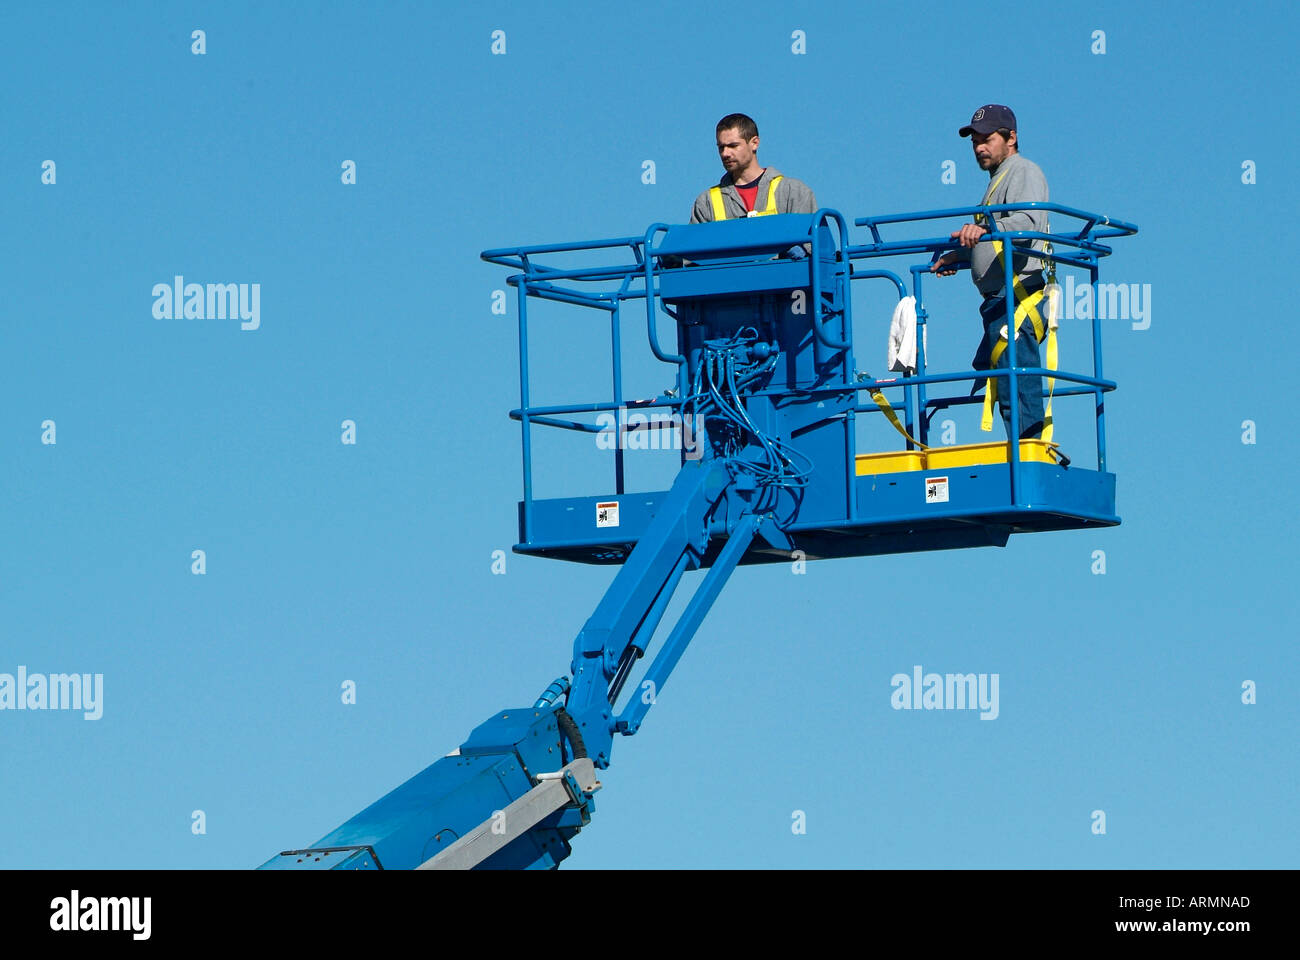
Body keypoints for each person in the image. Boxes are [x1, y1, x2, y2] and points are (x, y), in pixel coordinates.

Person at [931, 104, 1050, 440]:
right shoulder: (1000, 179)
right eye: (975, 141)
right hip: (1000, 301)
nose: (980, 147)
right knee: (1005, 381)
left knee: (1018, 382)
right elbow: (999, 240)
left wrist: (982, 232)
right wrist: (961, 256)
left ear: (1011, 137)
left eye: (987, 139)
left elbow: (1027, 226)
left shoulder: (1022, 170)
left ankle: (1028, 452)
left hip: (1018, 297)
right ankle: (1021, 450)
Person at [690, 114, 817, 229]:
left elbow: (815, 246)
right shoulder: (707, 202)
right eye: (721, 147)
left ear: (755, 143)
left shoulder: (792, 192)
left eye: (733, 146)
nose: (725, 153)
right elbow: (691, 251)